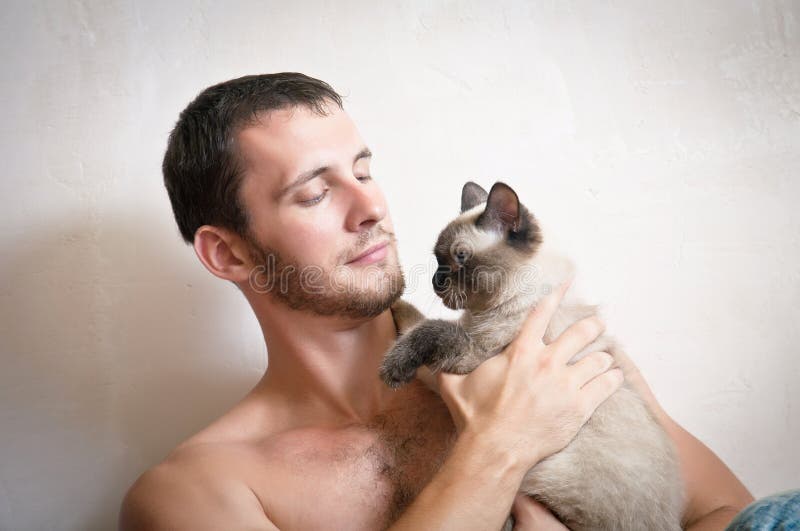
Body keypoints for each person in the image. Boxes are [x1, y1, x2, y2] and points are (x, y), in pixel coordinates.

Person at [119, 73, 757, 530]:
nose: (372, 209)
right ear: (228, 253)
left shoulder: (538, 352)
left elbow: (726, 512)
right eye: (315, 194)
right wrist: (500, 448)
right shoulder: (196, 492)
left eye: (364, 173)